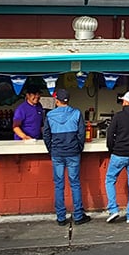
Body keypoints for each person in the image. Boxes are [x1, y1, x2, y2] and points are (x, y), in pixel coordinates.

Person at [42, 88, 90, 225]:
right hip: (73, 153)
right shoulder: (76, 113)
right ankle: (78, 216)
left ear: (56, 101)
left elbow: (46, 135)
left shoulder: (50, 115)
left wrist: (51, 149)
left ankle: (61, 217)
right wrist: (78, 148)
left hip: (57, 153)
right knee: (75, 184)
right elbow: (81, 134)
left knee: (59, 185)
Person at [104, 91, 129, 224]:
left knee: (110, 180)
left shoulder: (118, 116)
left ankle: (113, 209)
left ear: (127, 102)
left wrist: (111, 149)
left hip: (119, 154)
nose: (122, 102)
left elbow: (110, 135)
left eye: (123, 100)